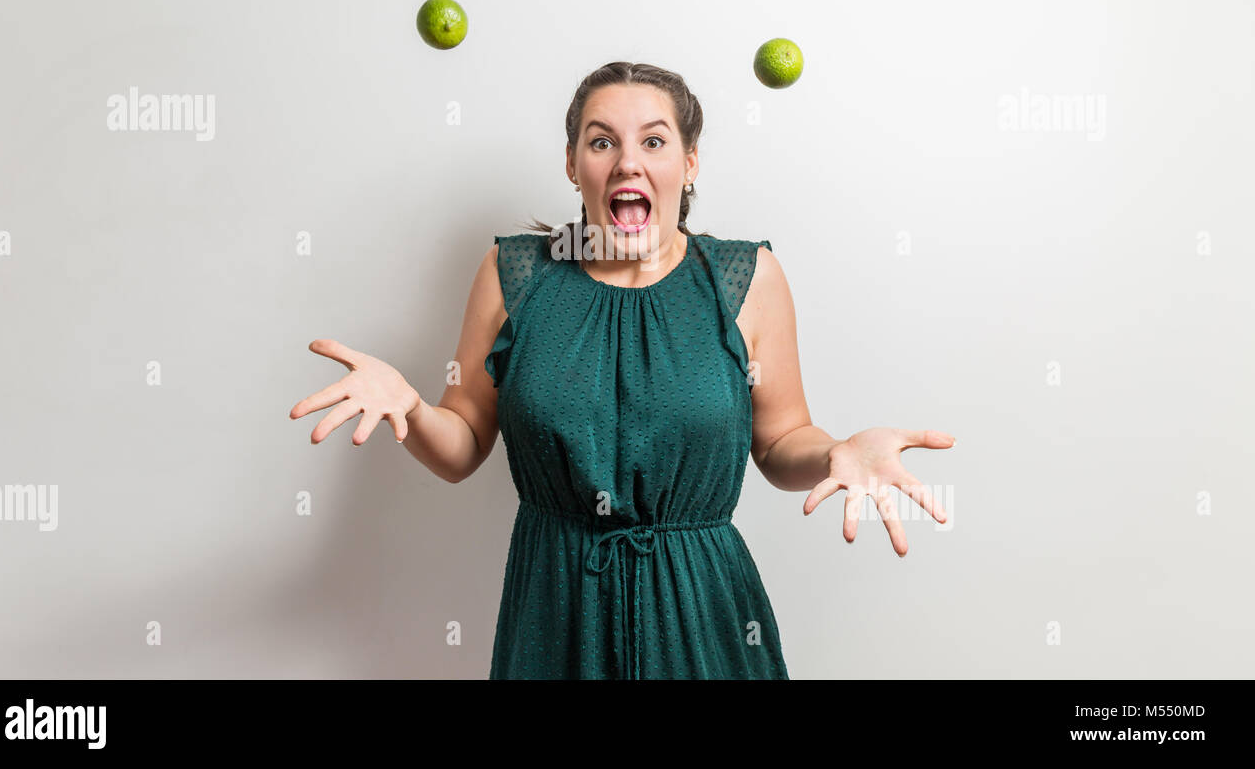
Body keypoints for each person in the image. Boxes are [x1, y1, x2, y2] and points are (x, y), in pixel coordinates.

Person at [289, 61, 955, 679]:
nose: (627, 161)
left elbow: (782, 442)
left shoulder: (744, 277)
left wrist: (838, 450)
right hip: (554, 610)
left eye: (655, 142)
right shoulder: (514, 275)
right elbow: (461, 444)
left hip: (701, 612)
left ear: (690, 164)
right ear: (574, 165)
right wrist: (410, 407)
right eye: (601, 141)